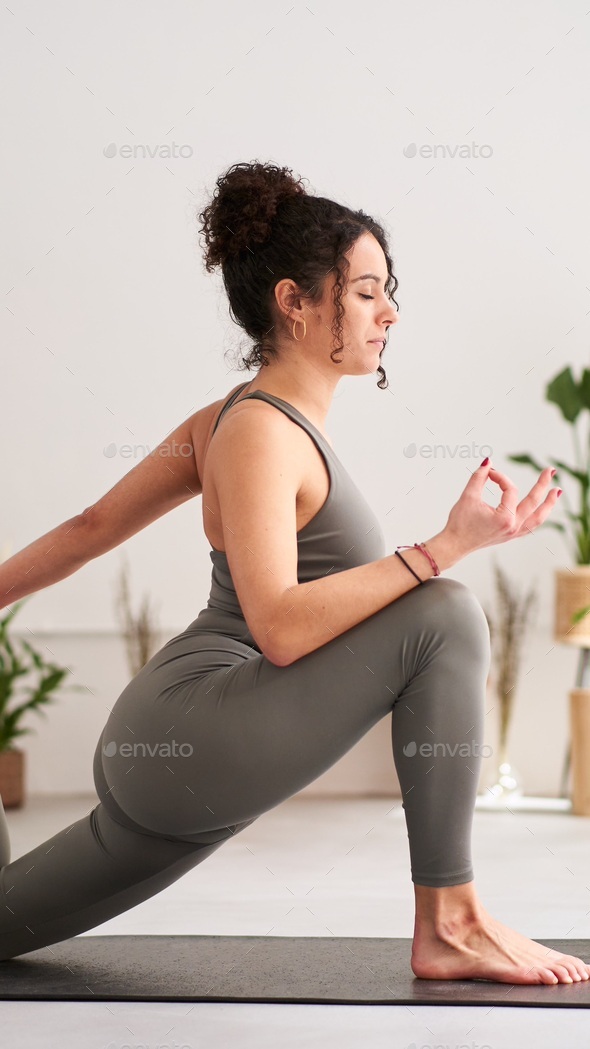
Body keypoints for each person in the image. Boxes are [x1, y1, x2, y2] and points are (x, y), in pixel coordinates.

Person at [0, 160, 586, 987]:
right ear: (296, 302)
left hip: (185, 758)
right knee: (445, 612)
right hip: (199, 731)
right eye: (366, 291)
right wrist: (443, 548)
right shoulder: (260, 433)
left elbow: (91, 525)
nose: (390, 311)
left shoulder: (231, 421)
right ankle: (450, 918)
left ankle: (453, 920)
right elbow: (276, 625)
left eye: (389, 290)